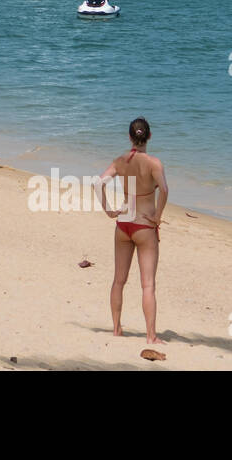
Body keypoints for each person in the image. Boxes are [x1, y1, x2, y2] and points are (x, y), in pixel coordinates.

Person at [95, 117, 168, 345]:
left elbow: (98, 183)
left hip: (123, 223)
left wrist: (108, 210)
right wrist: (157, 216)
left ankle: (116, 330)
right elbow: (164, 190)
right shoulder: (154, 164)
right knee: (148, 284)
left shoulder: (120, 161)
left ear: (129, 137)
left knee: (119, 280)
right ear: (149, 137)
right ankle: (151, 336)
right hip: (145, 225)